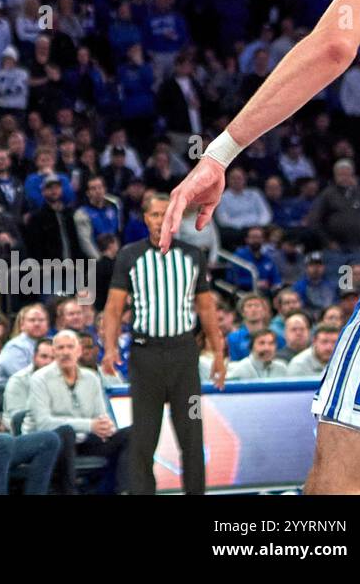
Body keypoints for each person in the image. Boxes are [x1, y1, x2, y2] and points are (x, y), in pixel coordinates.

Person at [100, 191, 223, 496]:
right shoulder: (129, 255)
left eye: (167, 214)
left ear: (177, 218)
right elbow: (114, 308)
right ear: (146, 219)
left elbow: (206, 308)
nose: (161, 220)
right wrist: (111, 348)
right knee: (143, 440)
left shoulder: (193, 256)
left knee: (192, 438)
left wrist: (219, 352)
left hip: (184, 354)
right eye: (155, 214)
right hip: (146, 356)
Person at [28, 330, 131, 493]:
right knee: (66, 432)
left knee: (130, 433)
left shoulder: (92, 378)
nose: (65, 352)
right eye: (60, 348)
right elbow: (43, 423)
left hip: (85, 442)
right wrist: (90, 425)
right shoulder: (39, 379)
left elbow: (100, 415)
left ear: (79, 351)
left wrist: (106, 426)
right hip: (53, 444)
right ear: (54, 352)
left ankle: (118, 490)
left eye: (70, 347)